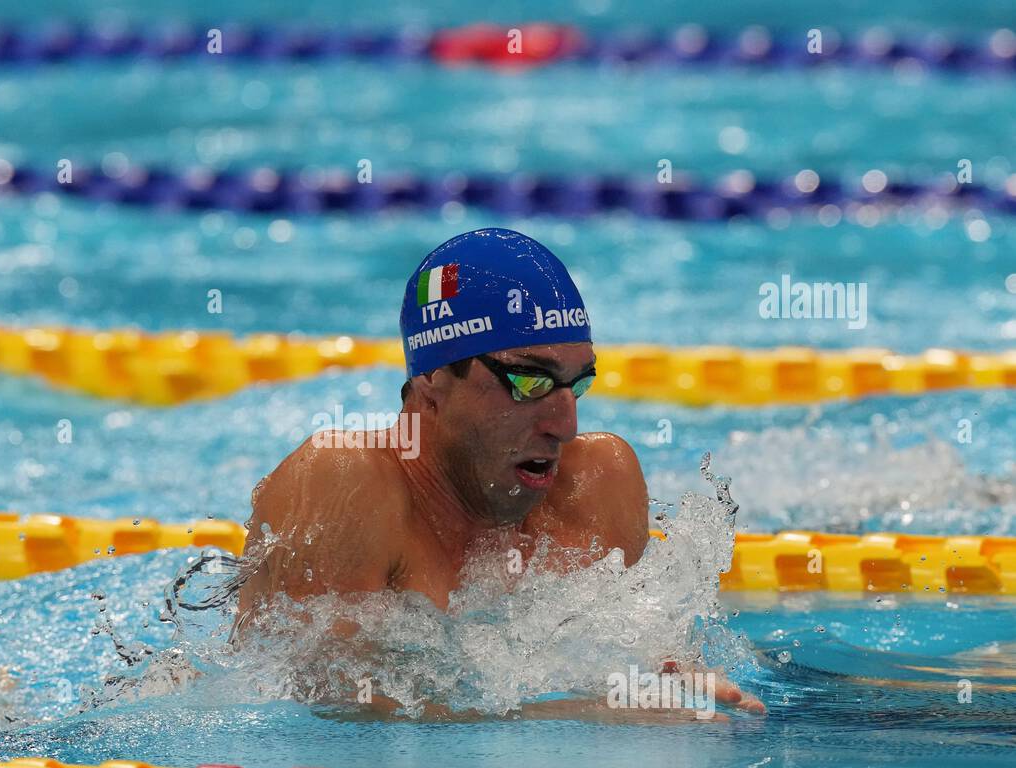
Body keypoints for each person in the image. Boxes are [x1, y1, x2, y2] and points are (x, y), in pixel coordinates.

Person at [236, 227, 763, 715]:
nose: (566, 425)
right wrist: (587, 716)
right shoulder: (345, 482)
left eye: (576, 384)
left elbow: (640, 663)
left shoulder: (597, 488)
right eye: (529, 381)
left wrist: (679, 681)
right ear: (434, 380)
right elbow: (335, 719)